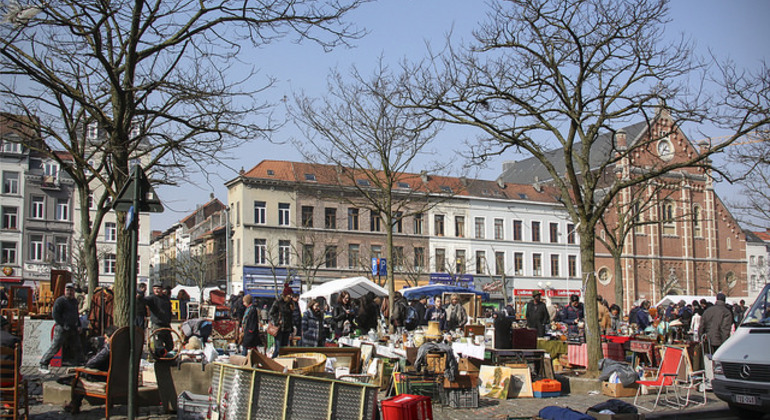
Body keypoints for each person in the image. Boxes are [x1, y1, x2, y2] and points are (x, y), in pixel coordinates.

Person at [63, 326, 118, 414]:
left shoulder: (108, 348)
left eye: (106, 338)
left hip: (105, 377)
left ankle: (75, 405)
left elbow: (91, 363)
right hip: (119, 378)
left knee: (80, 376)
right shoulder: (125, 348)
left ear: (111, 337)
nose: (105, 340)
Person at [40, 283, 83, 372]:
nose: (69, 292)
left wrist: (79, 325)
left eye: (71, 290)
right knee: (55, 346)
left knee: (77, 346)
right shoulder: (60, 301)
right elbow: (55, 315)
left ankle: (79, 363)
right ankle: (44, 362)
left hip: (73, 327)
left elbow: (76, 314)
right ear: (64, 291)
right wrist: (63, 324)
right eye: (68, 290)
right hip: (61, 328)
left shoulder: (74, 301)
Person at [143, 283, 174, 357]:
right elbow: (143, 300)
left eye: (158, 289)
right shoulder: (152, 298)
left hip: (166, 325)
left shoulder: (165, 298)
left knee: (170, 345)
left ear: (162, 290)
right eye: (154, 289)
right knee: (158, 346)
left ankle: (166, 356)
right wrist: (141, 294)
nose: (156, 290)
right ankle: (158, 359)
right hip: (157, 325)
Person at [269, 290, 294, 358]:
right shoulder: (278, 302)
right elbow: (271, 313)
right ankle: (272, 361)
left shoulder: (291, 304)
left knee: (284, 349)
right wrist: (277, 321)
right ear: (285, 295)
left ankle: (283, 362)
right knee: (278, 348)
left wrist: (292, 328)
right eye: (289, 295)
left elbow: (291, 317)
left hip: (287, 328)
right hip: (279, 328)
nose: (291, 297)